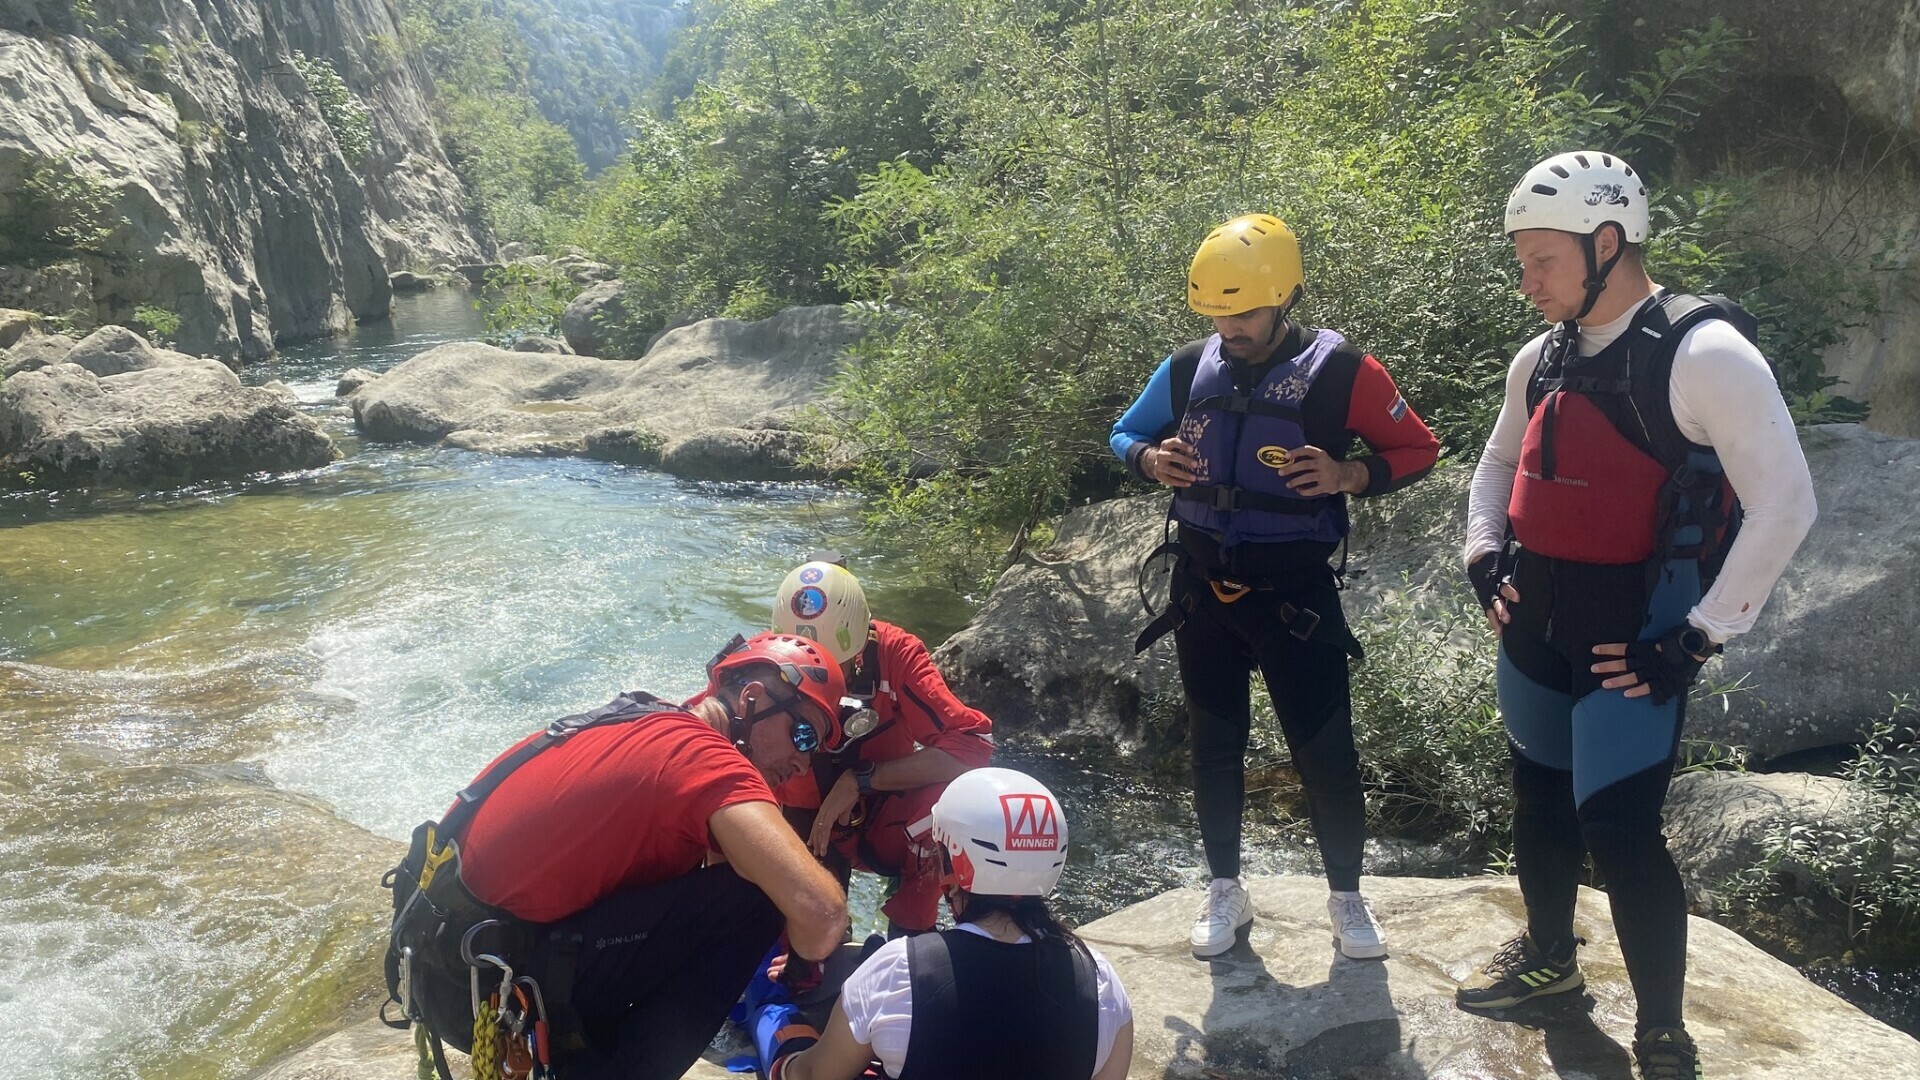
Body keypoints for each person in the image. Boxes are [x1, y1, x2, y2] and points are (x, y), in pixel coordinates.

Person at [1456, 150, 1817, 1079]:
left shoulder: (1705, 354)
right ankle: (1547, 964)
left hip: (1637, 641)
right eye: (1522, 261)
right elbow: (1498, 466)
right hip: (1534, 625)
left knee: (1619, 827)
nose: (1526, 281)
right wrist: (1482, 553)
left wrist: (1698, 639)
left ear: (1607, 243)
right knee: (1537, 798)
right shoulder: (1541, 357)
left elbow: (1786, 503)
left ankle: (1663, 1029)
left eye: (1542, 260)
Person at [1110, 213, 1439, 960]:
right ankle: (1225, 888)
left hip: (1295, 597)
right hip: (1202, 592)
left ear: (1286, 298)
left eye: (1245, 312)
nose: (1230, 327)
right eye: (1217, 314)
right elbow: (1123, 433)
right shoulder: (1191, 364)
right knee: (1214, 748)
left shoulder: (1347, 371)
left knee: (1326, 754)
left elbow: (1419, 447)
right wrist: (1147, 460)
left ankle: (1348, 899)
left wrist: (1350, 473)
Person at [383, 632, 854, 1080]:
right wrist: (798, 961)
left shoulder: (646, 719)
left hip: (443, 963)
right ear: (752, 700)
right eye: (804, 737)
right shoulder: (706, 759)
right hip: (489, 990)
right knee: (759, 901)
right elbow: (822, 914)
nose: (802, 764)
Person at [754, 767, 1135, 1080]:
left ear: (958, 867)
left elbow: (812, 1077)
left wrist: (786, 1055)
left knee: (780, 1024)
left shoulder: (898, 971)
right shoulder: (1102, 982)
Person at [770, 558, 996, 935]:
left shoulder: (897, 656)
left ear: (856, 648)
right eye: (801, 671)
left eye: (827, 668)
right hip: (801, 819)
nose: (815, 685)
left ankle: (909, 937)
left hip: (880, 819)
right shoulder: (764, 663)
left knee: (946, 803)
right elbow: (709, 728)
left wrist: (863, 779)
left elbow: (973, 746)